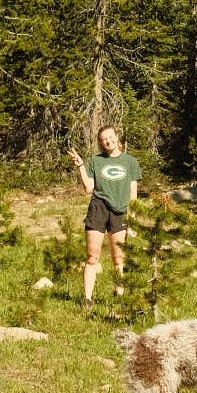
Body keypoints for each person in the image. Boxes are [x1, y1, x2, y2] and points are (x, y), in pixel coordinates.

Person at [67, 125, 141, 309]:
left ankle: (120, 297)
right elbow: (88, 188)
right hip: (98, 209)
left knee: (118, 259)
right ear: (101, 143)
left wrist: (132, 219)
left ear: (117, 136)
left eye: (110, 137)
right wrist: (81, 166)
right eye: (104, 139)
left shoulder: (130, 162)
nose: (108, 141)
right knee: (92, 257)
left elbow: (133, 195)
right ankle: (87, 299)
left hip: (120, 211)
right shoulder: (95, 161)